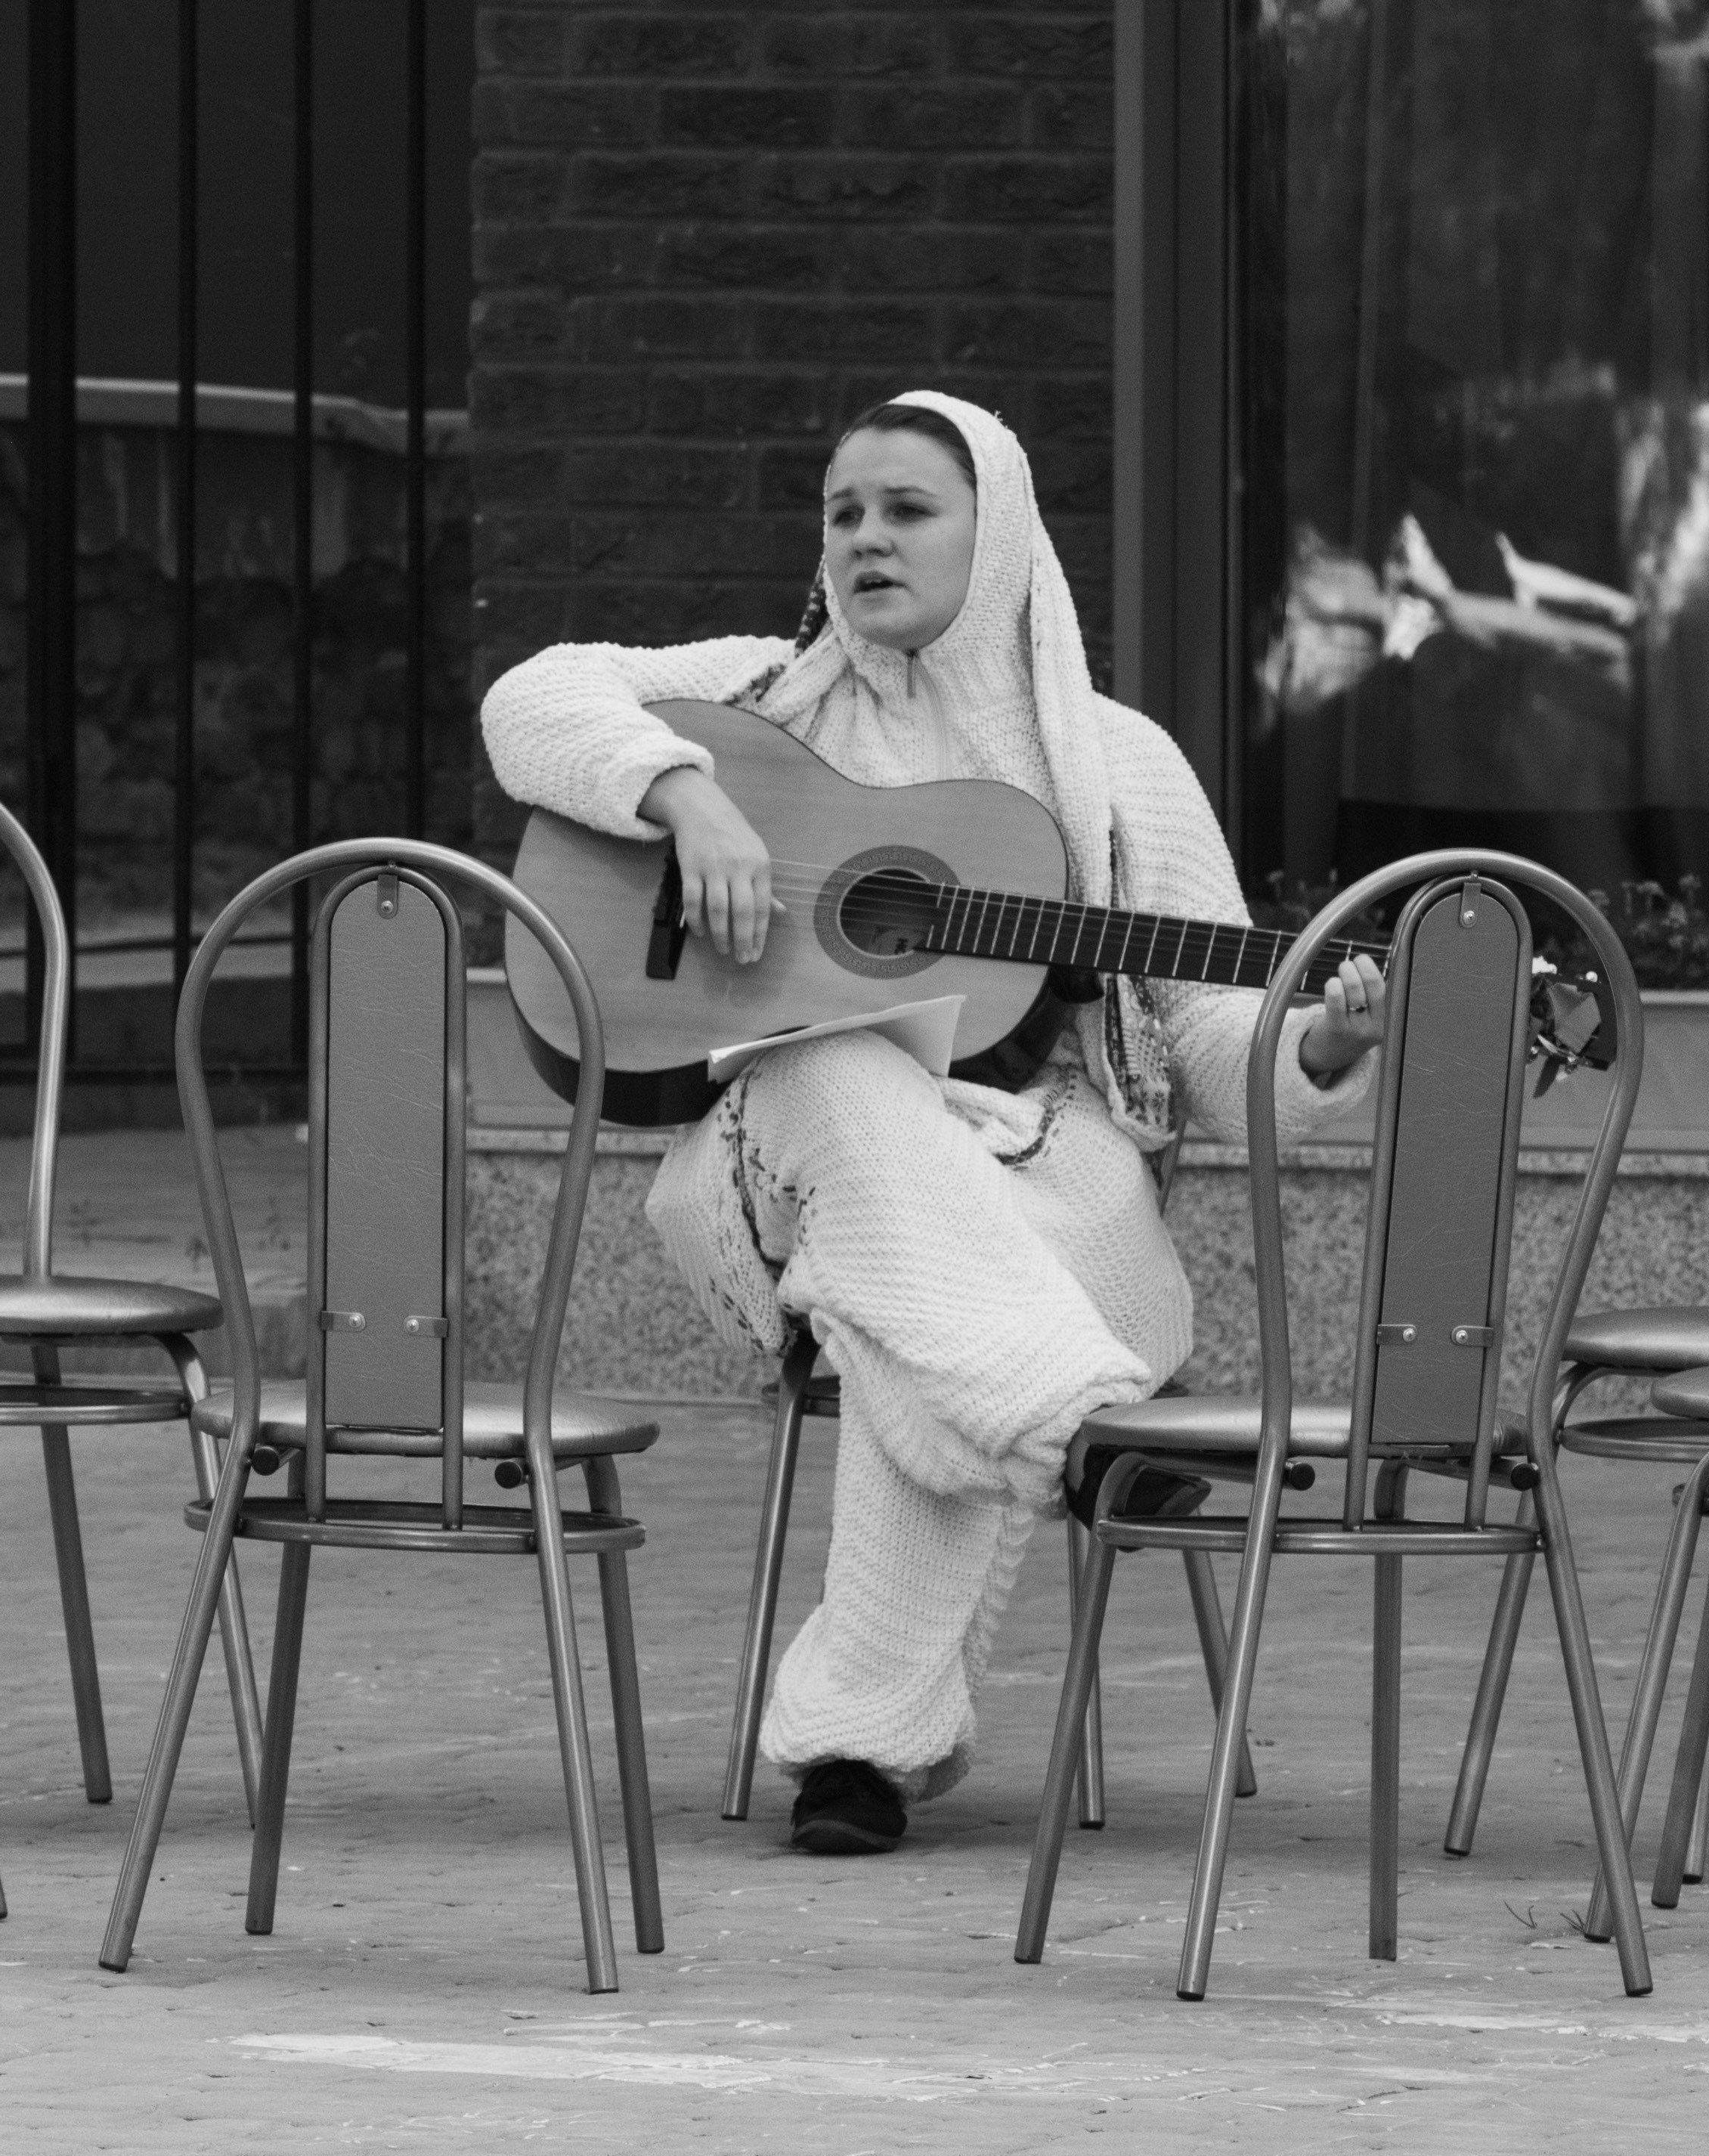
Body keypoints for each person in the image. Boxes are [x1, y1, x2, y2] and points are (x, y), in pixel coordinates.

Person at [480, 389, 1384, 1854]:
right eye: (844, 513)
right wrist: (682, 796)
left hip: (1039, 1155)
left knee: (966, 1266)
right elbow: (530, 697)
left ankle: (859, 1743)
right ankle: (1064, 1404)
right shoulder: (767, 694)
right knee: (841, 1064)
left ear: (1000, 535)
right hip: (798, 1151)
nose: (866, 540)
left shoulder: (1117, 766)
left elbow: (1219, 1052)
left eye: (908, 510)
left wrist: (1328, 1033)